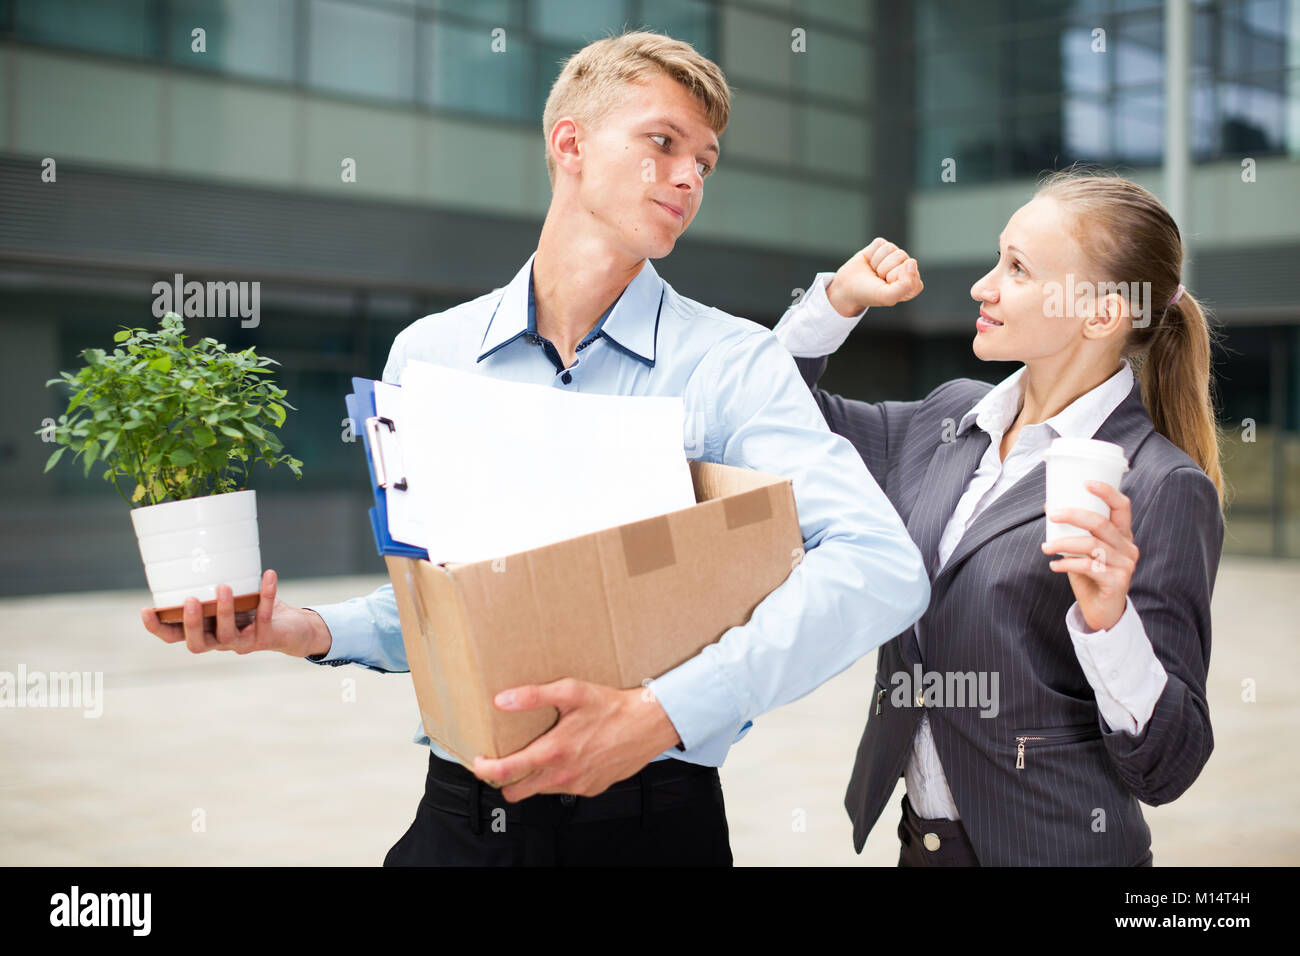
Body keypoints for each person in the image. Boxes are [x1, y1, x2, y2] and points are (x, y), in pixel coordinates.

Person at [140, 31, 930, 866]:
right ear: (571, 144)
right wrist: (302, 629)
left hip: (650, 827)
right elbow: (452, 608)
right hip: (458, 821)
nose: (691, 175)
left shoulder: (734, 364)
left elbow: (880, 565)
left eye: (706, 159)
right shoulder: (427, 356)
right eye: (663, 142)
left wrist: (662, 713)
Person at [772, 171, 1225, 866]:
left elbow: (1170, 762)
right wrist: (835, 302)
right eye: (998, 259)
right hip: (922, 845)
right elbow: (773, 417)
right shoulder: (948, 419)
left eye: (1017, 268)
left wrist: (1109, 623)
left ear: (1101, 314)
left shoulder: (1162, 485)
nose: (985, 286)